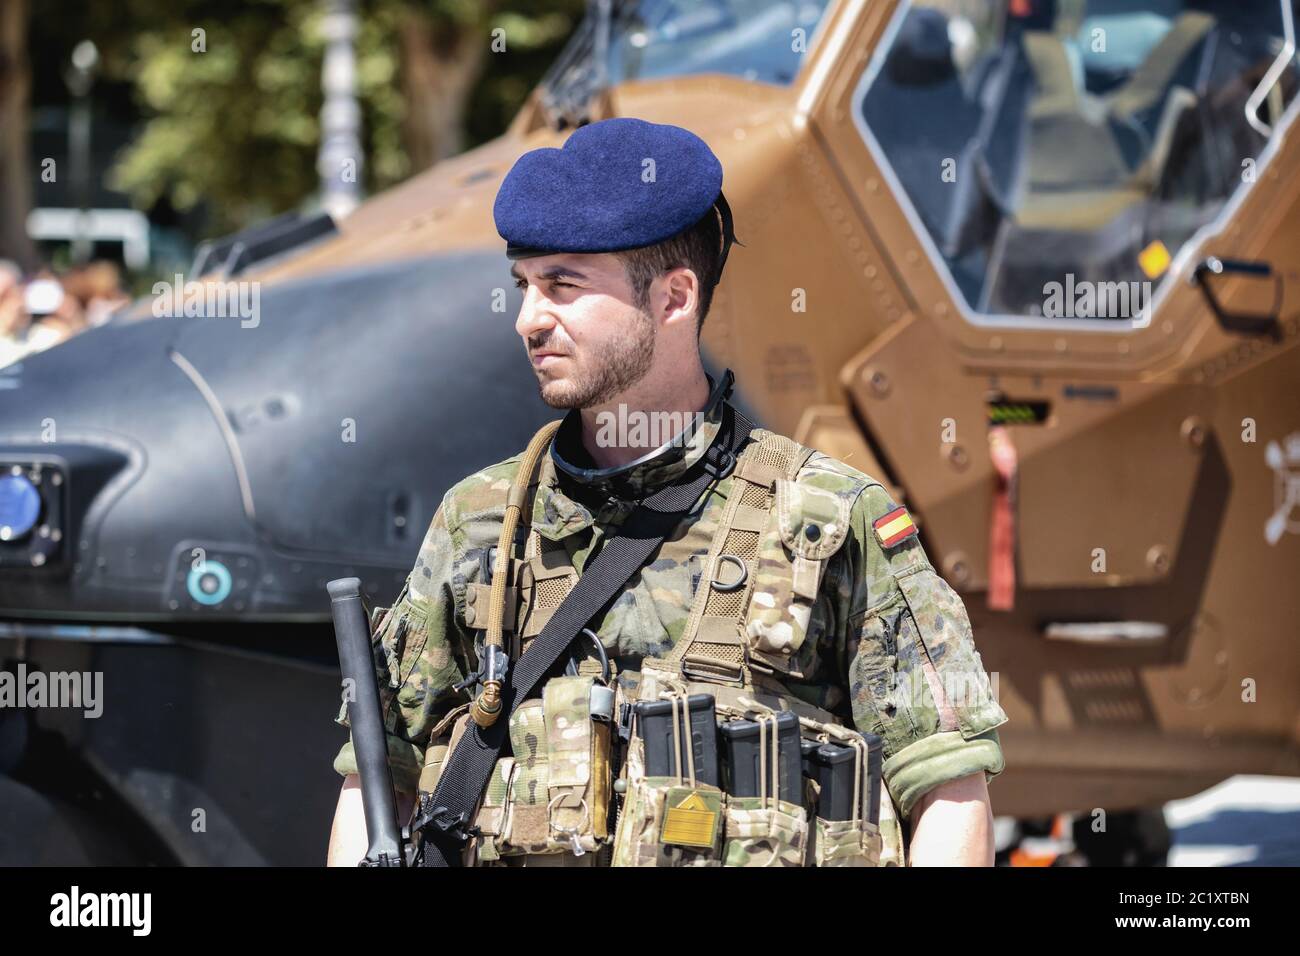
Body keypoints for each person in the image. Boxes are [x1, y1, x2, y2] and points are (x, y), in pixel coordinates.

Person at [327, 117, 1007, 867]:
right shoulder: (481, 520)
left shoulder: (828, 518)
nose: (527, 319)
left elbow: (946, 791)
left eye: (563, 284)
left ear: (674, 297)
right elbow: (375, 778)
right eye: (522, 285)